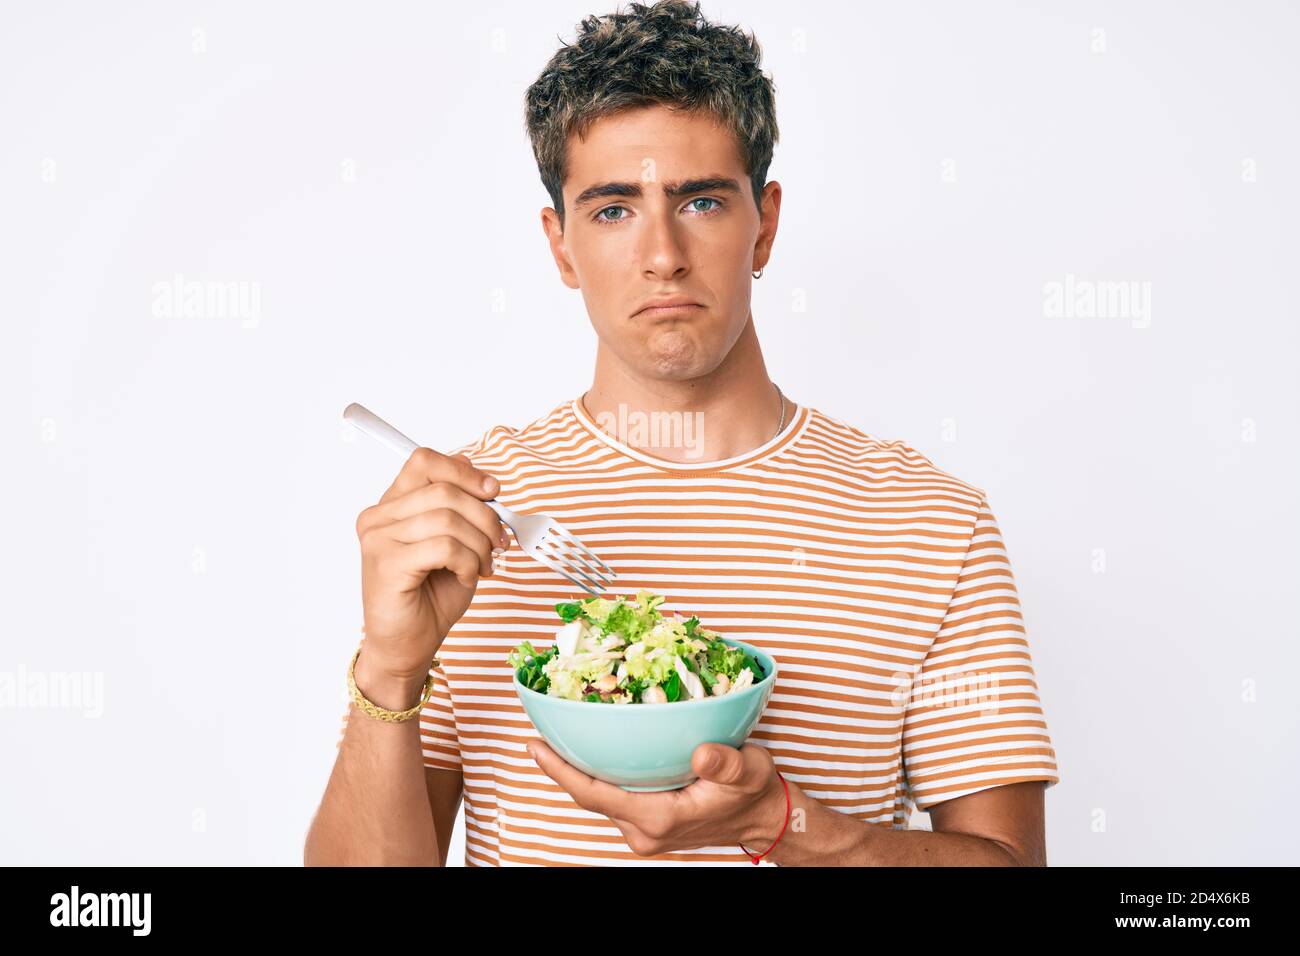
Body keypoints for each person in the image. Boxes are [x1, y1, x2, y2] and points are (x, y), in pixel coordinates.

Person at [304, 0, 1058, 867]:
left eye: (699, 200)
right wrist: (390, 670)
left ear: (764, 224)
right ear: (559, 245)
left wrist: (782, 825)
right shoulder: (469, 515)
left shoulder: (932, 520)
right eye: (613, 209)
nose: (662, 253)